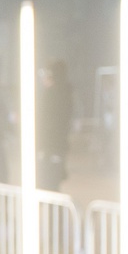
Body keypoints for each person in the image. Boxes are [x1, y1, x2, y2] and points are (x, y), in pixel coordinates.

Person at [37, 60, 73, 191]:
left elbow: (44, 121)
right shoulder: (66, 93)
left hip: (48, 147)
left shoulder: (50, 95)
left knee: (47, 185)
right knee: (53, 184)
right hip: (58, 146)